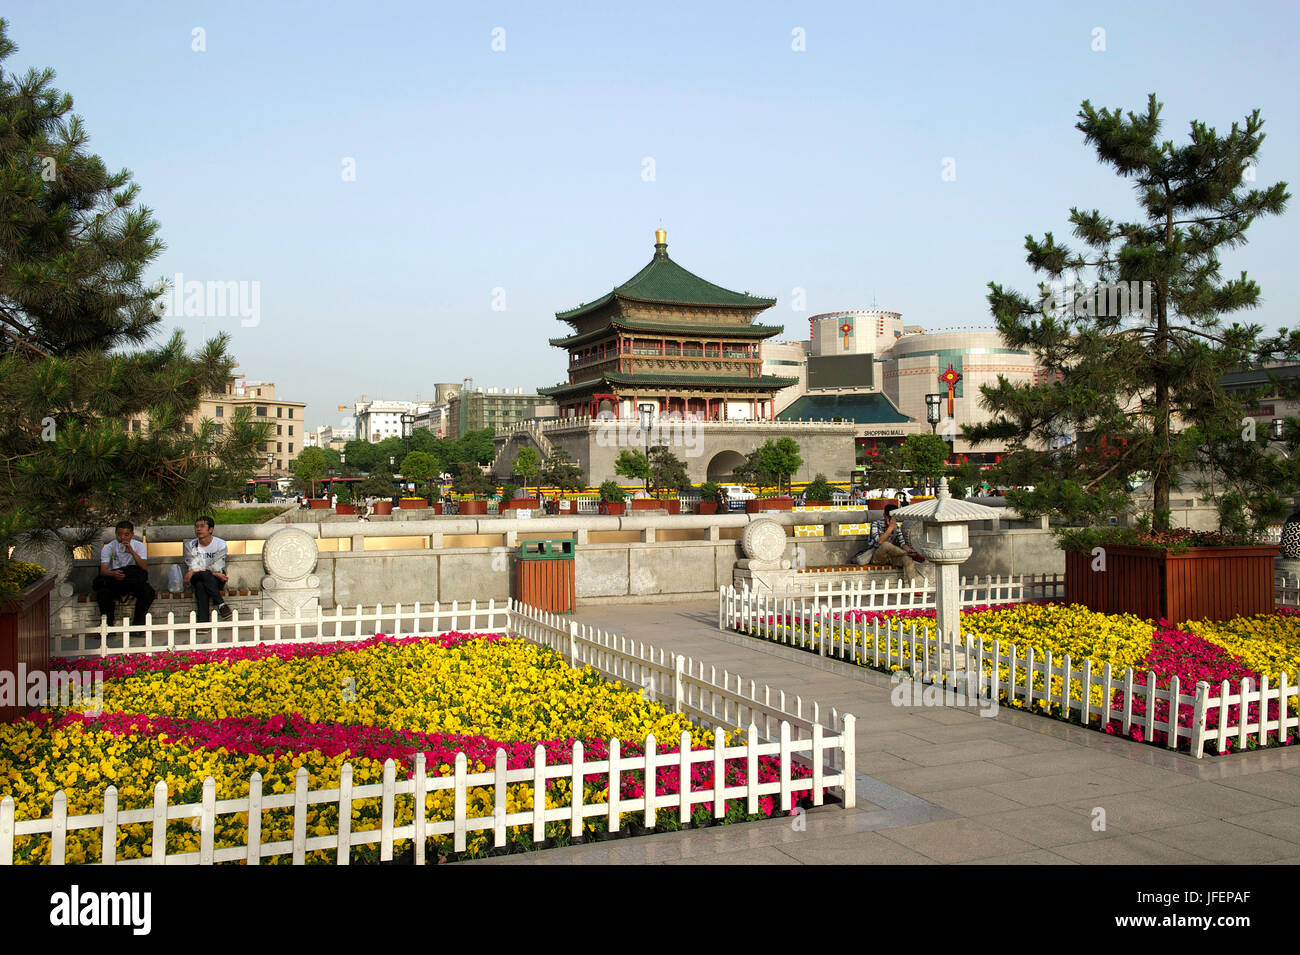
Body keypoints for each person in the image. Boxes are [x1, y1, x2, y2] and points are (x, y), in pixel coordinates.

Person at [93, 521, 155, 628]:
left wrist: (132, 552)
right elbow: (103, 570)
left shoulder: (139, 546)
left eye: (126, 534)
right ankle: (108, 626)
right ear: (116, 534)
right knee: (103, 593)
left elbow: (144, 567)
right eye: (119, 534)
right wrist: (113, 574)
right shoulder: (109, 547)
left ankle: (138, 626)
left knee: (148, 592)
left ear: (132, 534)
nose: (122, 537)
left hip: (132, 580)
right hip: (115, 579)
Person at [852, 504, 926, 582]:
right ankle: (907, 554)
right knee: (886, 545)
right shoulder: (875, 524)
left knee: (907, 559)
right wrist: (890, 528)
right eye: (890, 517)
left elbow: (902, 543)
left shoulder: (896, 526)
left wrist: (909, 550)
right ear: (884, 515)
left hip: (891, 557)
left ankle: (914, 585)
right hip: (877, 557)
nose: (892, 520)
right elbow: (879, 541)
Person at [183, 516, 232, 622]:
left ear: (211, 529)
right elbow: (192, 565)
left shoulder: (220, 544)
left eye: (202, 526)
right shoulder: (190, 545)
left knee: (201, 585)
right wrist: (211, 572)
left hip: (216, 578)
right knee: (203, 576)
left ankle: (203, 622)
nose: (198, 529)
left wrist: (200, 570)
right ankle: (221, 604)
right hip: (199, 576)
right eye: (196, 526)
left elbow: (218, 566)